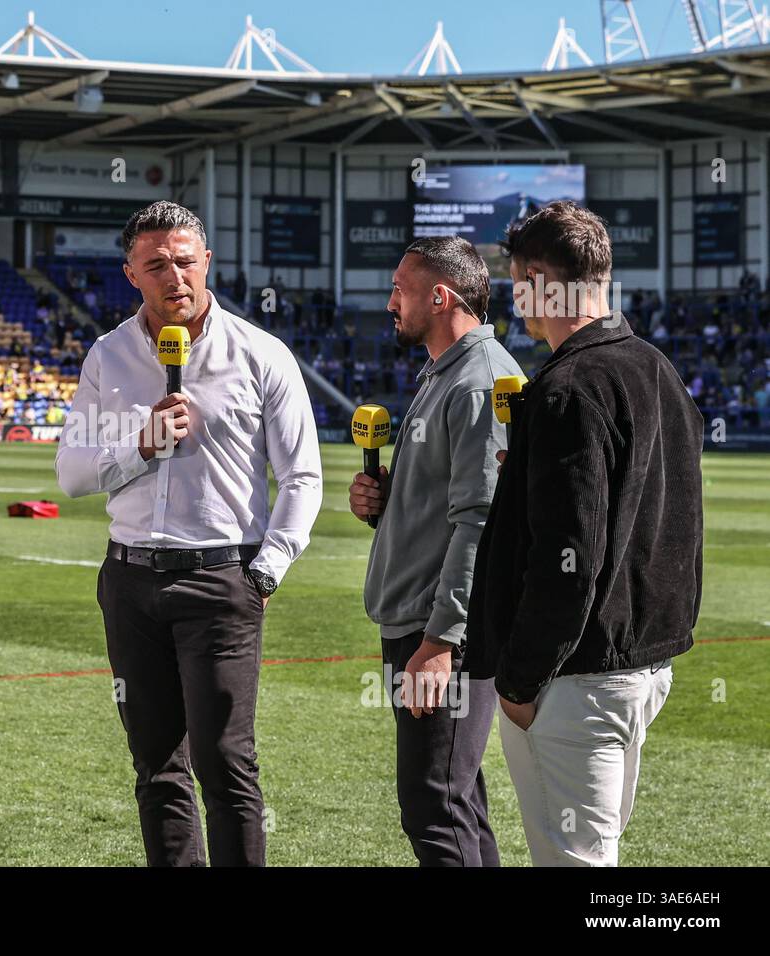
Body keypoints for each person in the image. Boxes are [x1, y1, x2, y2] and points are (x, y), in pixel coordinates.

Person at [56, 201, 322, 866]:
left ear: (207, 262)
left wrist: (266, 569)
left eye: (185, 260)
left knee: (226, 764)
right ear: (131, 275)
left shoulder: (263, 355)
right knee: (156, 767)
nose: (174, 275)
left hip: (221, 581)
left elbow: (302, 478)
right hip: (129, 582)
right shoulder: (108, 355)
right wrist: (139, 446)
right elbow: (71, 474)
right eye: (156, 265)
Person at [465, 201, 704, 866]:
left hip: (577, 677)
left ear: (543, 279)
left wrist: (518, 681)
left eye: (518, 281)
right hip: (641, 665)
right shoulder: (657, 368)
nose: (517, 300)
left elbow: (569, 557)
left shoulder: (568, 386)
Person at [348, 236, 522, 867]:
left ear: (441, 296)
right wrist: (387, 500)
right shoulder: (447, 372)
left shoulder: (478, 382)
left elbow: (481, 523)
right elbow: (448, 506)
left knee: (435, 806)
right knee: (457, 802)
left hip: (442, 632)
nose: (390, 301)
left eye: (401, 288)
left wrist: (441, 642)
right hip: (422, 620)